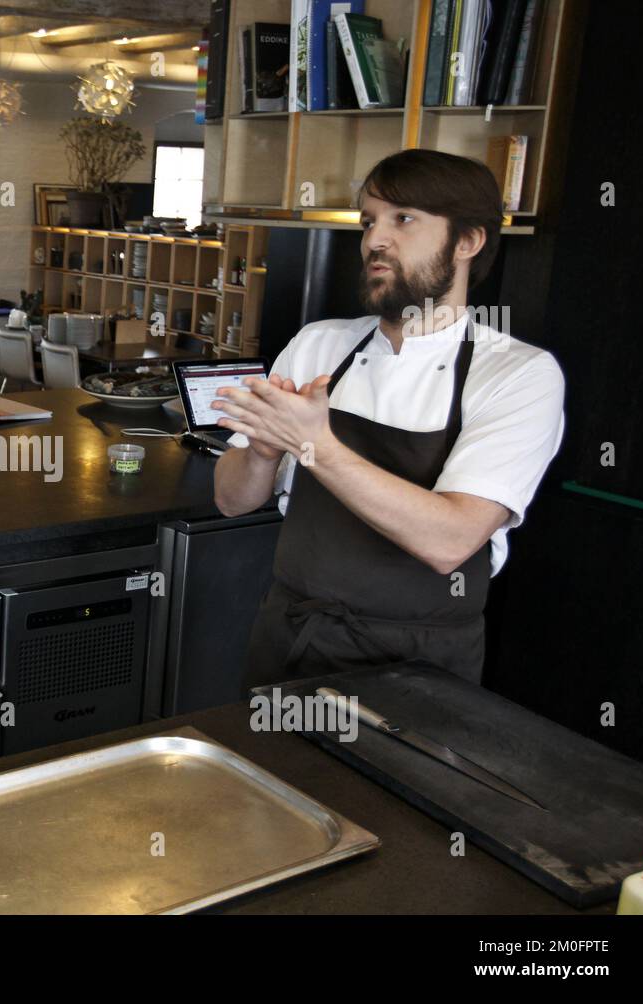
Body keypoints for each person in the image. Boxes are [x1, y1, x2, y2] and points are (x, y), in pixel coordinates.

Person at [212, 149, 564, 689]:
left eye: (404, 219)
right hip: (290, 639)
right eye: (369, 221)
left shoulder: (518, 374)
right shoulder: (320, 344)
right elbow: (232, 501)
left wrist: (313, 444)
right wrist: (262, 451)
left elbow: (450, 541)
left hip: (417, 668)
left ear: (468, 242)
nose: (375, 240)